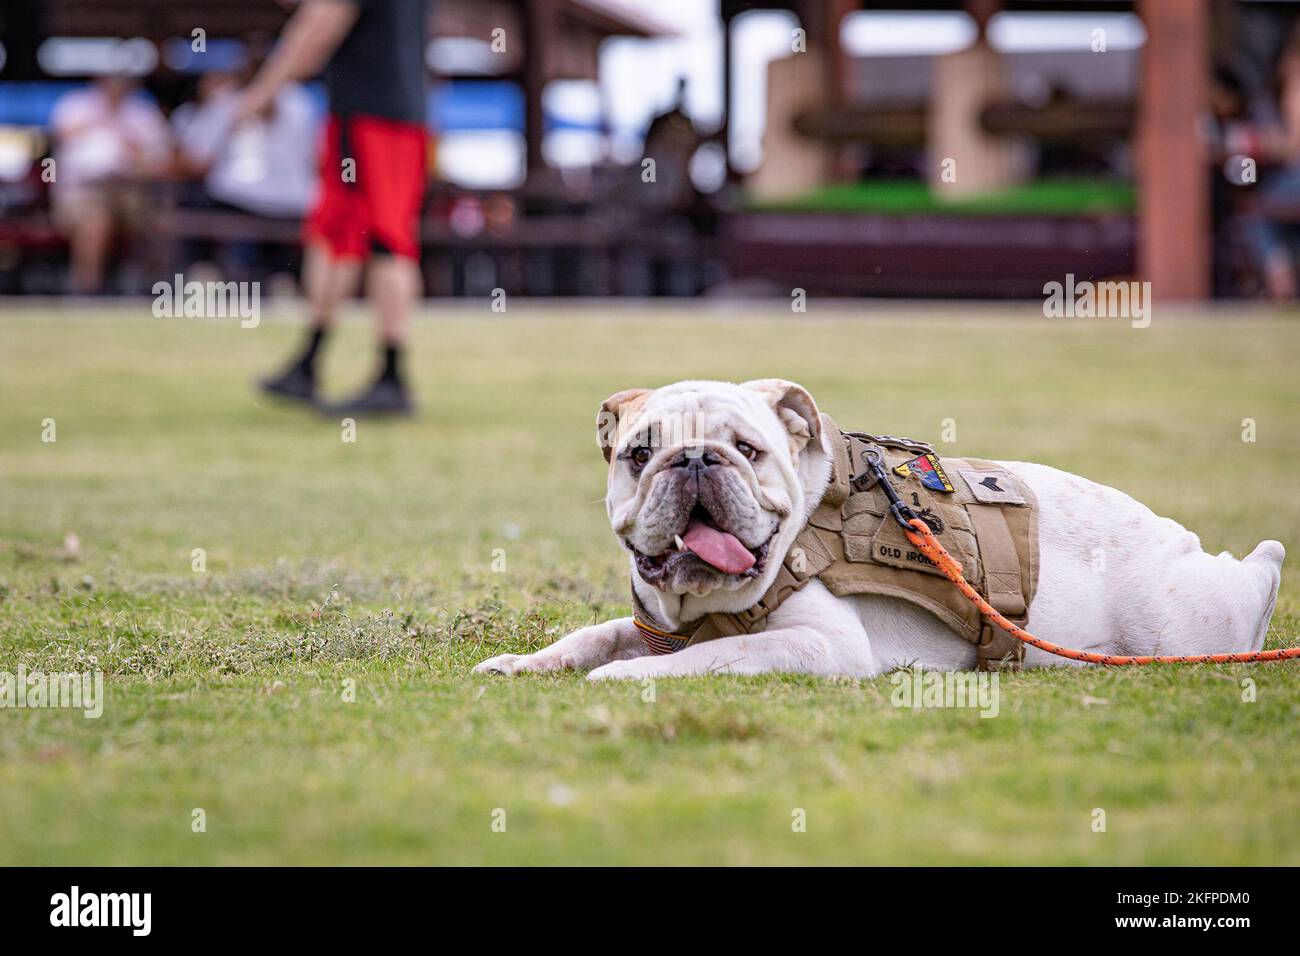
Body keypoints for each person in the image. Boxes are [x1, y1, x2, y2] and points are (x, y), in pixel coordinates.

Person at [236, 0, 429, 415]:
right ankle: (311, 363)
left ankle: (390, 377)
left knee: (383, 241)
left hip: (370, 119)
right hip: (394, 115)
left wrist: (263, 91)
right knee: (342, 236)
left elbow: (322, 20)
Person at [49, 74, 171, 293]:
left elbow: (160, 163)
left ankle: (149, 290)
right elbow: (60, 138)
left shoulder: (143, 112)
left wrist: (132, 148)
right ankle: (86, 289)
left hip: (132, 190)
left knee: (160, 223)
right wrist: (98, 122)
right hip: (83, 189)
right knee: (96, 220)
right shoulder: (75, 104)